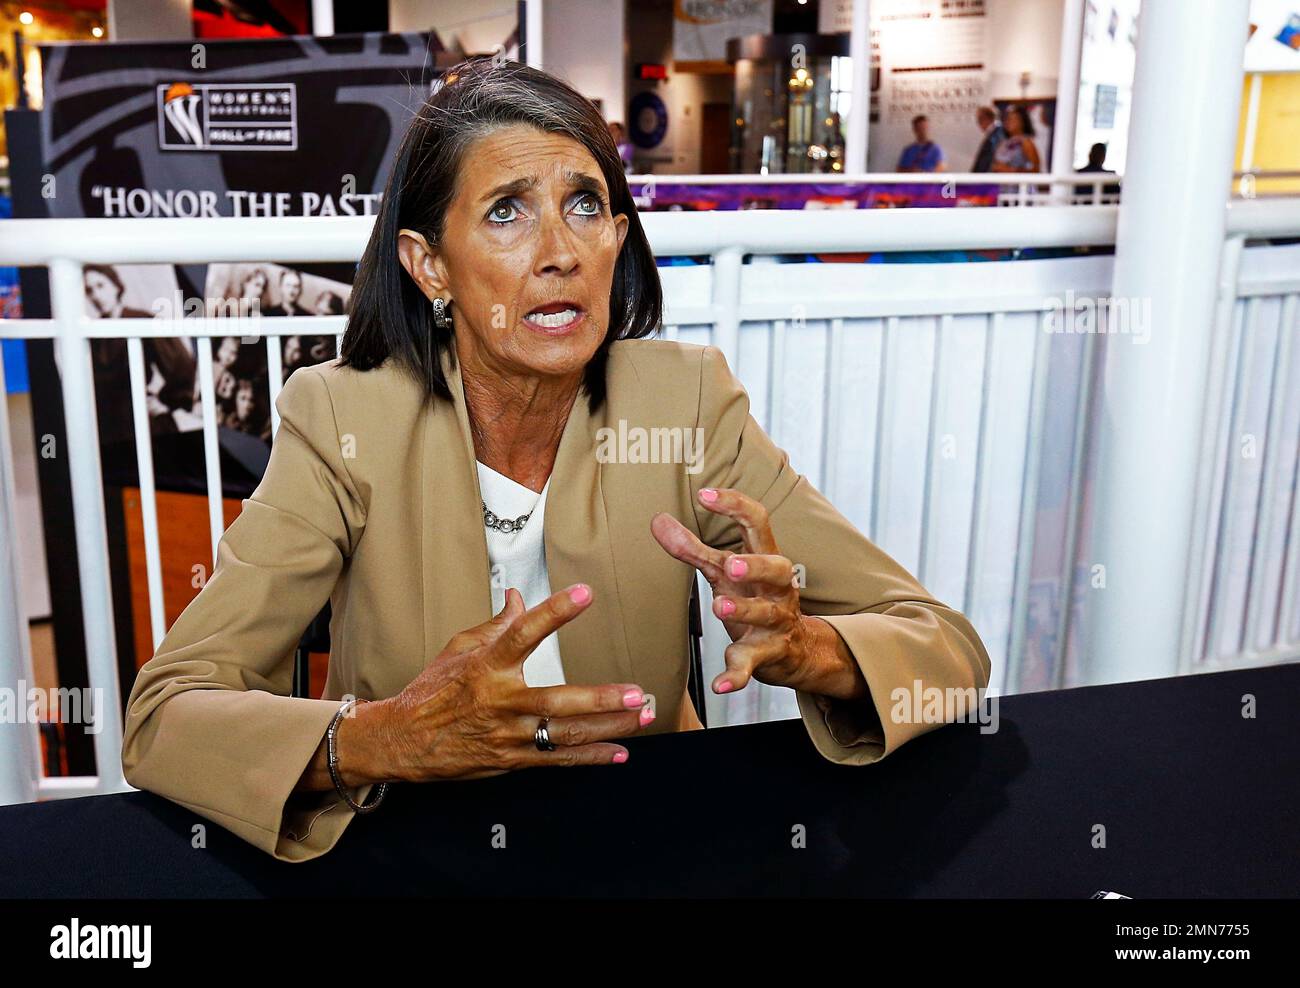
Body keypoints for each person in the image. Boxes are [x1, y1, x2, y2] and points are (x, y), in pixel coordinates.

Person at [121, 60, 991, 863]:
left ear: (617, 238)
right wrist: (390, 737)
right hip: (422, 853)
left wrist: (809, 648)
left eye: (584, 206)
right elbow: (166, 714)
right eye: (506, 211)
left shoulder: (685, 402)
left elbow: (943, 645)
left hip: (641, 845)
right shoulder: (343, 416)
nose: (561, 252)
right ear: (430, 265)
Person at [83, 264, 197, 441]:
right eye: (89, 290)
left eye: (101, 286)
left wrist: (167, 401)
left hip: (142, 422)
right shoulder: (93, 332)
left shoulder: (141, 320)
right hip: (107, 426)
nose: (96, 295)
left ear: (115, 285)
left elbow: (182, 365)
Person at [990, 105, 1041, 173]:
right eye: (1007, 119)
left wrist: (1011, 170)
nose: (1009, 122)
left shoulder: (1026, 142)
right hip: (1000, 182)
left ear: (1022, 121)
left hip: (1019, 182)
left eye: (1013, 119)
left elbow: (1035, 170)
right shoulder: (1003, 142)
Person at [970, 106, 1005, 173]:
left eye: (979, 120)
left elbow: (990, 158)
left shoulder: (997, 134)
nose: (978, 124)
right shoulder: (994, 132)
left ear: (985, 119)